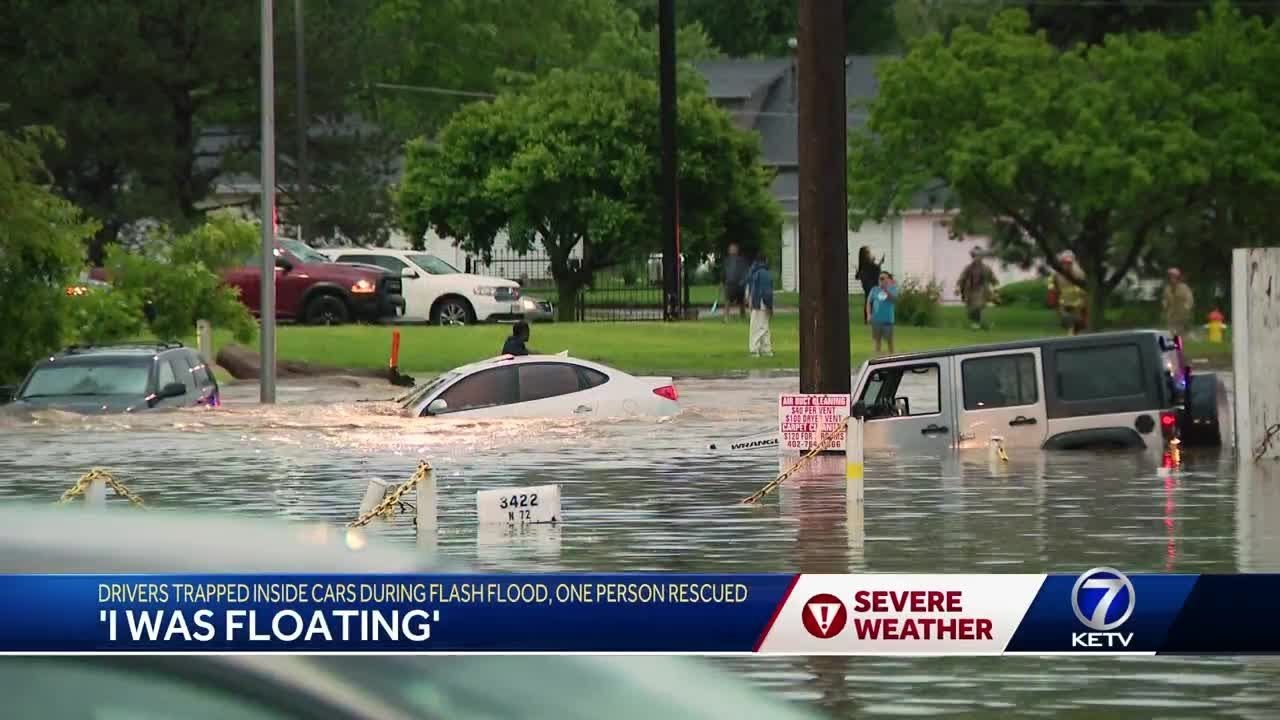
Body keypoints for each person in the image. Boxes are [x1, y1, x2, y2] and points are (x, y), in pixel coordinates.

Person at [956, 247, 998, 330]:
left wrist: (996, 290)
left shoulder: (986, 268)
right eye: (975, 256)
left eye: (978, 256)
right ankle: (977, 323)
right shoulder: (969, 268)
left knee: (977, 306)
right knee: (971, 309)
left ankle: (976, 323)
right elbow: (962, 278)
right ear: (973, 257)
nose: (976, 258)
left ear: (981, 257)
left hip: (981, 290)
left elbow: (993, 279)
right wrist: (957, 288)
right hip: (970, 291)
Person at [1049, 251, 1088, 335]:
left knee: (1078, 327)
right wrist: (1053, 301)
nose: (1067, 265)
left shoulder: (1080, 274)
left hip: (1078, 306)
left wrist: (1084, 305)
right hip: (1064, 306)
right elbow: (1052, 289)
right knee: (1070, 326)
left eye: (1069, 263)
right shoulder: (1056, 275)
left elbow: (1085, 290)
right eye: (1064, 263)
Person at [745, 254, 774, 357]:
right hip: (762, 303)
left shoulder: (754, 272)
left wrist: (749, 301)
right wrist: (769, 305)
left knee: (756, 327)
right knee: (763, 327)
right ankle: (765, 349)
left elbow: (749, 287)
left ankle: (756, 349)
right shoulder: (765, 274)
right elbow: (767, 292)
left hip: (757, 303)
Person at [868, 272, 899, 355]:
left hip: (888, 320)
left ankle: (892, 358)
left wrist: (885, 290)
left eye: (884, 278)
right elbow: (868, 303)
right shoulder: (874, 289)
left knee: (890, 341)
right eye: (880, 278)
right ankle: (877, 359)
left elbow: (893, 299)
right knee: (877, 341)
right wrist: (869, 314)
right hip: (876, 320)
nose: (882, 280)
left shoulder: (893, 289)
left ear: (888, 279)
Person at [1162, 267, 1195, 338]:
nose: (1172, 279)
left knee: (1182, 332)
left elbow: (1189, 298)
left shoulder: (1184, 287)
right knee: (1172, 333)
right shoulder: (1167, 288)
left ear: (1178, 278)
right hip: (1172, 314)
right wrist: (1164, 304)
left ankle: (1186, 338)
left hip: (1182, 313)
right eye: (1170, 277)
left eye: (1174, 277)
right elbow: (1165, 298)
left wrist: (1187, 306)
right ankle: (1175, 343)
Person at [721, 242, 749, 322]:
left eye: (734, 249)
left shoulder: (742, 261)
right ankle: (726, 317)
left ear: (737, 250)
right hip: (730, 283)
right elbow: (724, 272)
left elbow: (745, 272)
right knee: (727, 300)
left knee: (741, 301)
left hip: (740, 284)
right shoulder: (726, 261)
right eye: (731, 249)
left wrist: (743, 282)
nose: (732, 250)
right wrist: (723, 282)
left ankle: (743, 316)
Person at [855, 246, 883, 325]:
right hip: (870, 286)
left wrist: (878, 263)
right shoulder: (867, 264)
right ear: (865, 254)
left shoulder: (864, 264)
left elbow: (858, 276)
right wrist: (878, 263)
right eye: (868, 252)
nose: (870, 254)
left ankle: (868, 320)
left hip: (868, 286)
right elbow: (876, 270)